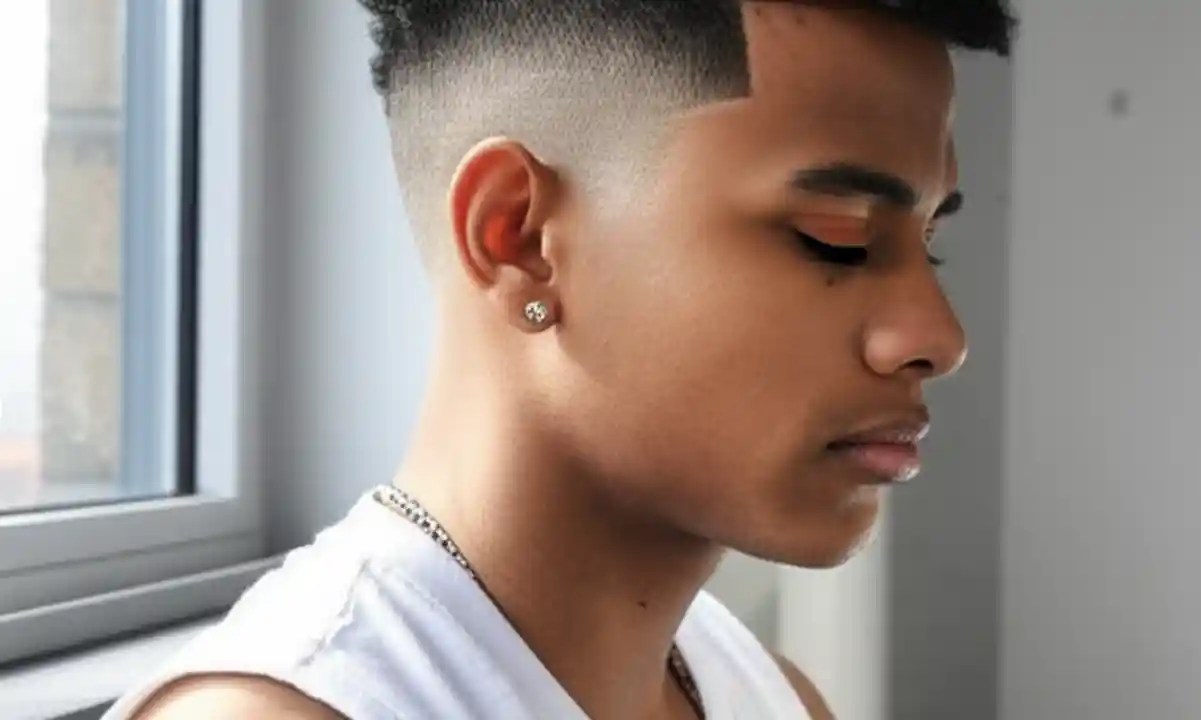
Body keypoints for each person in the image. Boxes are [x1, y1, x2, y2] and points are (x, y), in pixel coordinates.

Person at [109, 1, 1014, 717]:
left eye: (929, 244)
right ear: (521, 240)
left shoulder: (777, 699)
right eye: (837, 237)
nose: (938, 335)